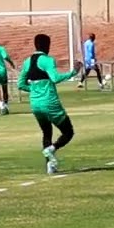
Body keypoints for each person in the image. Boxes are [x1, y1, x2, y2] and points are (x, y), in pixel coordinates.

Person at [18, 33, 82, 175]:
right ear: (47, 46)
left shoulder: (27, 61)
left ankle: (50, 166)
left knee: (46, 132)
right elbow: (55, 78)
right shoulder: (47, 60)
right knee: (68, 132)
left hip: (35, 104)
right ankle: (52, 149)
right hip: (50, 102)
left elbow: (20, 84)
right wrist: (73, 73)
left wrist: (34, 90)